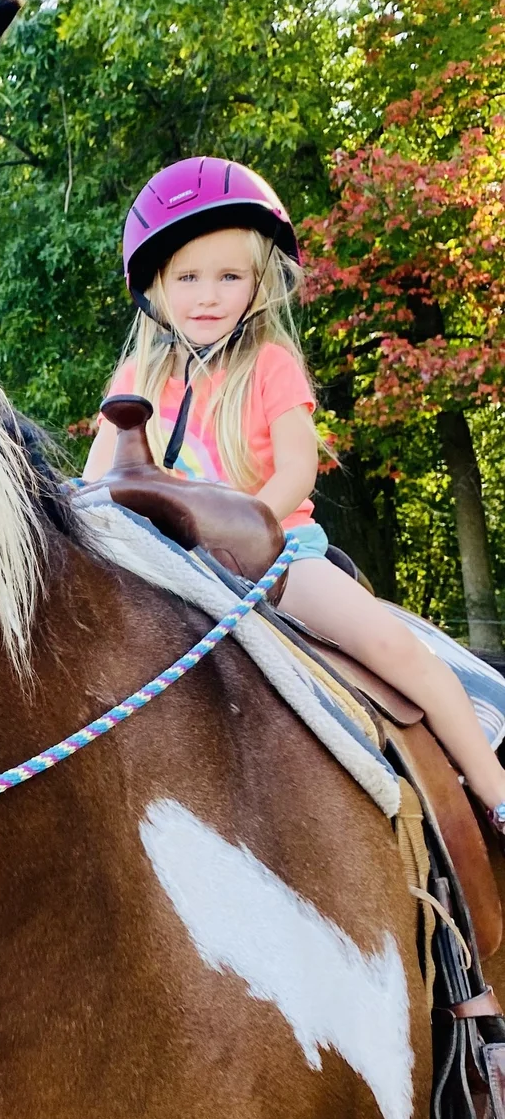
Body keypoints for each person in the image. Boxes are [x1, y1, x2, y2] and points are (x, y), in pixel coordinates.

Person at [83, 156, 505, 826]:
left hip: (276, 557)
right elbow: (96, 486)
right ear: (157, 287)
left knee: (396, 652)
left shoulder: (270, 365)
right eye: (188, 277)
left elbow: (295, 475)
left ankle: (493, 788)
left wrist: (238, 528)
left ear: (258, 284)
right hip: (164, 570)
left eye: (230, 276)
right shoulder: (136, 377)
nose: (208, 295)